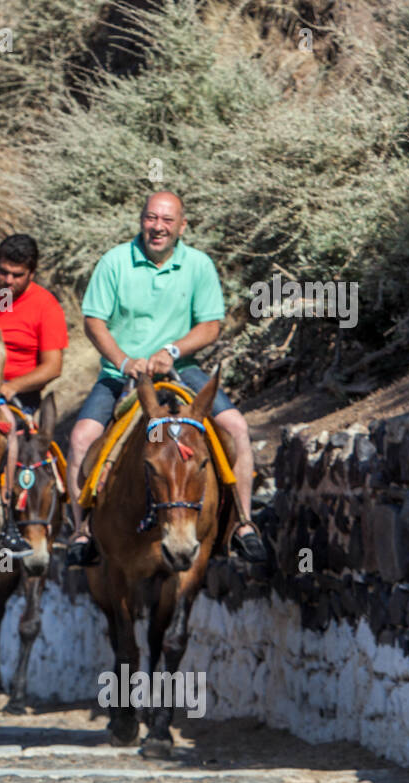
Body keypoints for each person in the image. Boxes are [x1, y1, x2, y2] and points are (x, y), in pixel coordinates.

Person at [63, 191, 266, 566]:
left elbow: (210, 326)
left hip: (180, 368)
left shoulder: (198, 265)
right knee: (80, 438)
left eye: (167, 220)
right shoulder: (115, 262)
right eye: (151, 218)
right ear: (141, 220)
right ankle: (82, 529)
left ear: (182, 226)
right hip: (121, 373)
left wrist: (171, 351)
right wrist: (124, 362)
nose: (158, 227)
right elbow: (93, 322)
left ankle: (242, 522)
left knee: (236, 426)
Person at [0, 234, 68, 557]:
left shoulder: (45, 305)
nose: (7, 280)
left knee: (10, 439)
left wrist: (11, 386)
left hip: (16, 396)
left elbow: (53, 367)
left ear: (31, 273)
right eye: (2, 271)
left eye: (16, 275)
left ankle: (7, 518)